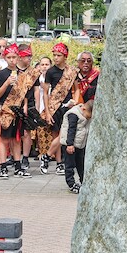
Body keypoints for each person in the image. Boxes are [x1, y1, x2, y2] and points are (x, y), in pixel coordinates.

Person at [0, 44, 35, 178]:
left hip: (18, 111)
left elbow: (25, 94)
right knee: (4, 139)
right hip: (6, 110)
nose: (12, 60)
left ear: (18, 58)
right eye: (9, 57)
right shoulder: (1, 74)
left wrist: (24, 105)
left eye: (14, 57)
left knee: (17, 139)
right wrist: (6, 83)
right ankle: (4, 166)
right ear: (5, 58)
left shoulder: (22, 75)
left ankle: (18, 166)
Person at [41, 43, 76, 174]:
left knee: (64, 135)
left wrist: (76, 102)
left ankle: (47, 156)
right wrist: (48, 112)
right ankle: (59, 163)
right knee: (57, 135)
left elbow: (76, 89)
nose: (55, 58)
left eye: (58, 55)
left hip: (68, 107)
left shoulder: (71, 71)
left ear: (65, 56)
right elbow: (45, 92)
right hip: (55, 107)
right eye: (54, 55)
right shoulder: (50, 72)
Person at [61, 98, 92, 192]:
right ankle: (71, 183)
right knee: (70, 165)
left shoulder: (85, 114)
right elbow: (71, 130)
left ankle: (84, 181)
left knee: (81, 164)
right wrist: (69, 144)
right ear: (84, 109)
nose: (89, 118)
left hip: (80, 144)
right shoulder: (74, 114)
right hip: (70, 144)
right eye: (89, 116)